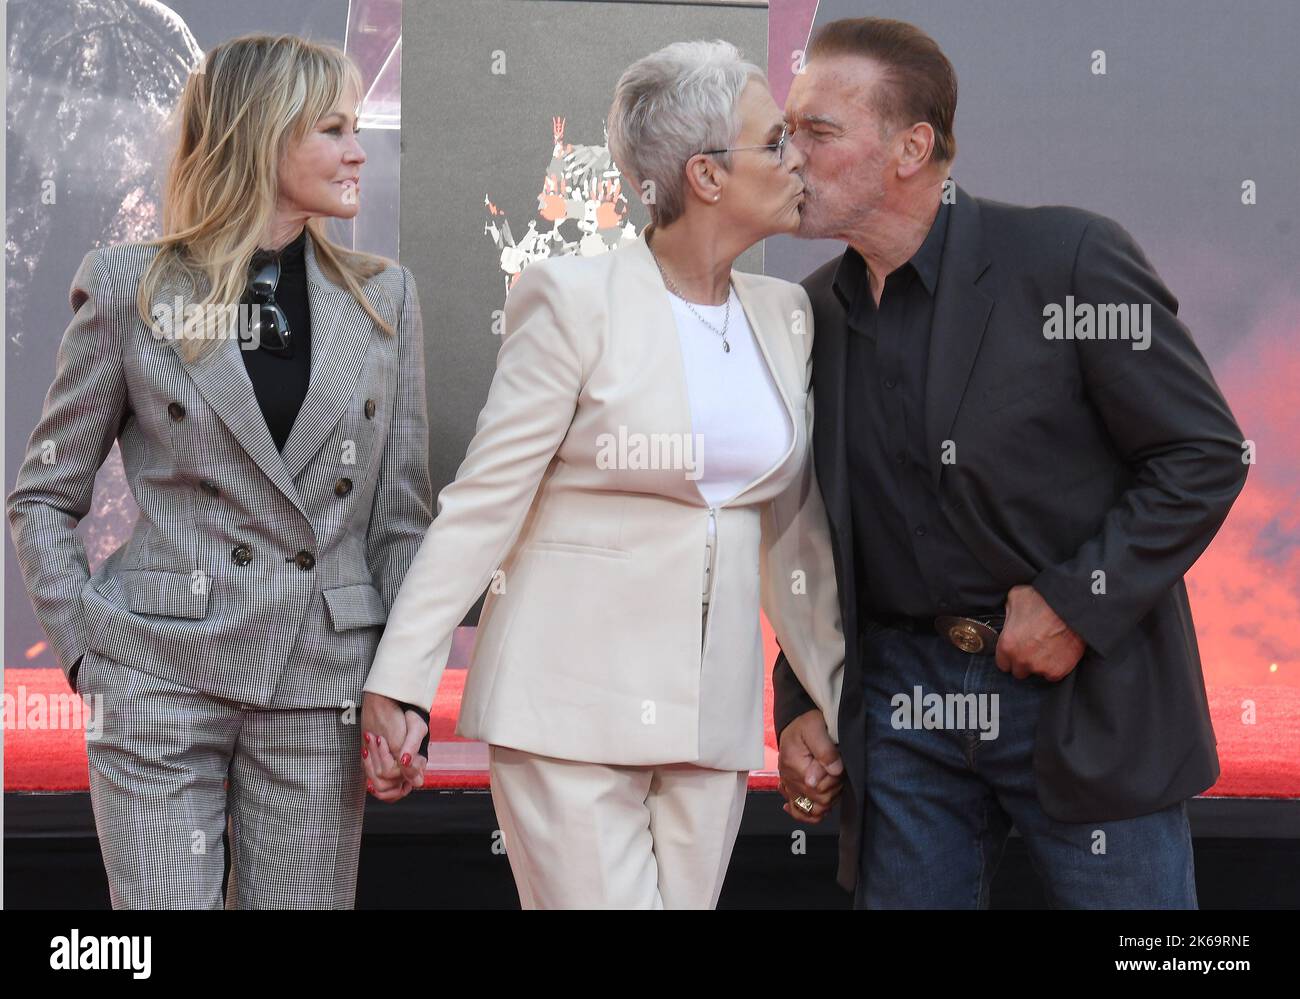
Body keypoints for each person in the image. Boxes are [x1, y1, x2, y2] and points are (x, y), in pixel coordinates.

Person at [770, 16, 1249, 909]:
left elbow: (1203, 453)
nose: (786, 154)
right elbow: (815, 536)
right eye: (786, 129)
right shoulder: (807, 316)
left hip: (1085, 697)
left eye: (817, 131)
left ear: (912, 146)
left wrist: (1078, 600)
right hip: (900, 706)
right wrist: (800, 694)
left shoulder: (1069, 258)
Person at [360, 39, 844, 909]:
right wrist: (401, 681)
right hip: (564, 709)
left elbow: (792, 539)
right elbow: (482, 504)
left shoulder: (788, 314)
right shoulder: (571, 298)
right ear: (704, 175)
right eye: (774, 142)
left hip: (712, 722)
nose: (797, 157)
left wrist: (836, 703)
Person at [6, 33, 433, 908]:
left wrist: (404, 685)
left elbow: (398, 520)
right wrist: (90, 649)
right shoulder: (129, 285)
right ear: (260, 135)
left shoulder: (385, 298)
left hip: (319, 681)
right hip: (159, 674)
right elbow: (43, 494)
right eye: (332, 128)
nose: (359, 149)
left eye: (357, 126)